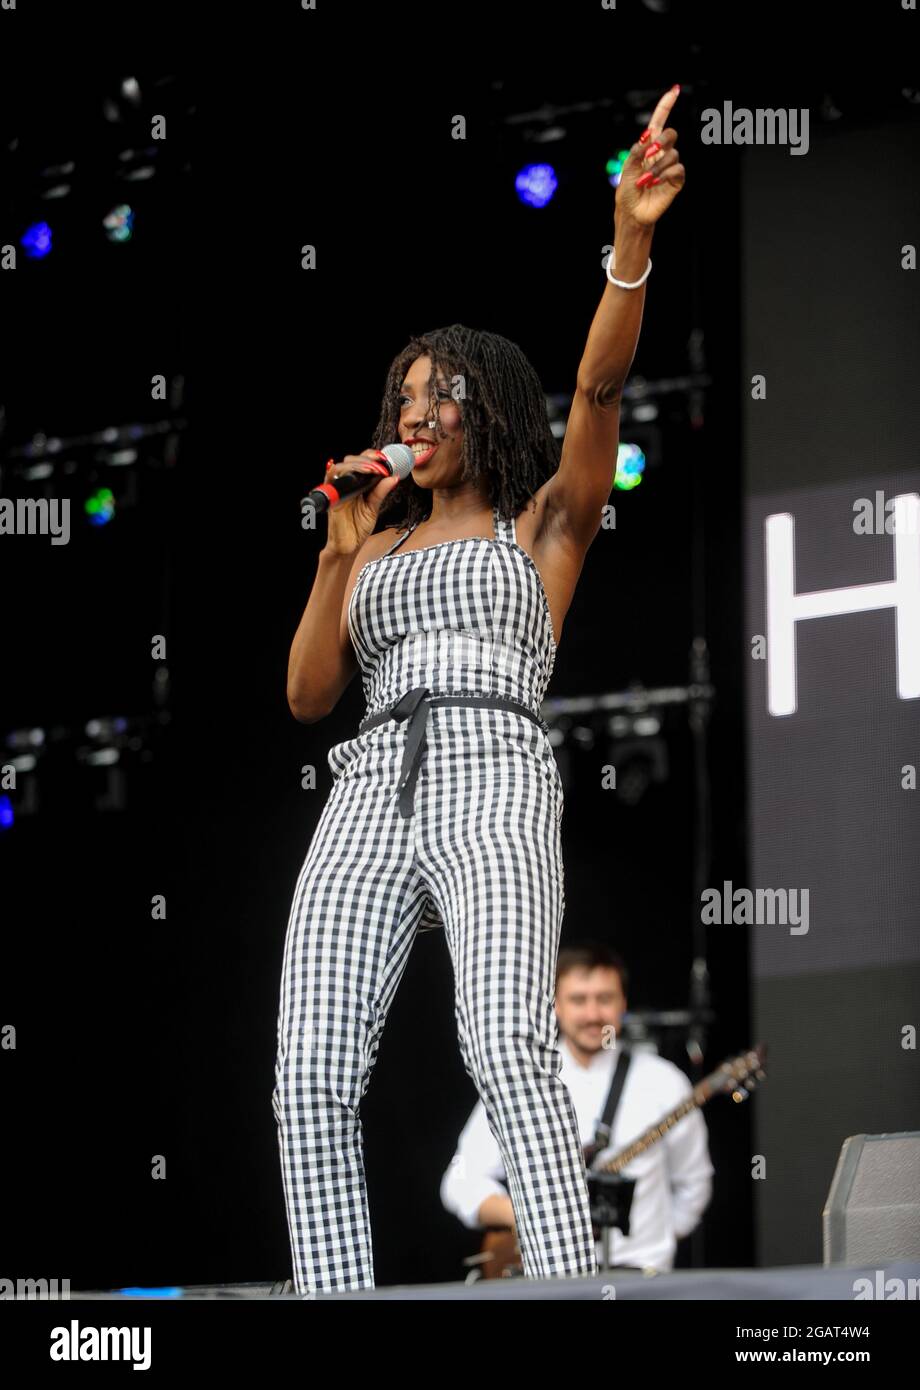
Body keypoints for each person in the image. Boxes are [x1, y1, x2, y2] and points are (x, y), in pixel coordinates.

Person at [273, 87, 686, 1296]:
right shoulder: (373, 545)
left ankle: (562, 1292)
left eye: (438, 394)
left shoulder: (540, 528)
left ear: (487, 410)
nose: (415, 412)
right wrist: (337, 552)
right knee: (308, 1067)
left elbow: (601, 395)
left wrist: (630, 239)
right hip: (368, 783)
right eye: (402, 396)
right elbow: (306, 697)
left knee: (505, 1038)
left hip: (492, 772)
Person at [440, 943, 714, 1274]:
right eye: (578, 999)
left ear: (623, 1003)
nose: (592, 1014)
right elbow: (460, 1180)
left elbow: (693, 1184)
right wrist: (521, 1214)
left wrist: (653, 1241)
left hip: (642, 1277)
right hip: (551, 1279)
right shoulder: (521, 1081)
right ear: (554, 1005)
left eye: (605, 998)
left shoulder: (665, 1082)